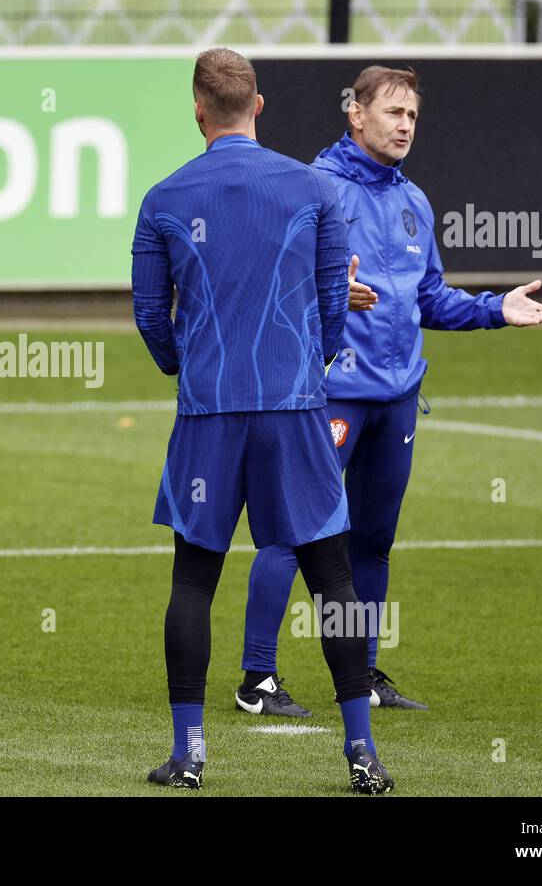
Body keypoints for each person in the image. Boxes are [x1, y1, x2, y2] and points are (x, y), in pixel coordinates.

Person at [235, 66, 542, 719]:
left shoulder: (413, 201)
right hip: (329, 392)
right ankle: (257, 680)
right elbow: (267, 282)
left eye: (412, 114)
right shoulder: (314, 188)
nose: (405, 125)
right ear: (355, 113)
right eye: (392, 112)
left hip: (397, 398)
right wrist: (322, 296)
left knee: (373, 541)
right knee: (294, 532)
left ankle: (363, 671)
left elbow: (429, 297)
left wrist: (497, 308)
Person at [132, 48, 393, 793]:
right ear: (259, 105)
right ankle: (362, 754)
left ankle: (189, 756)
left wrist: (183, 368)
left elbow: (152, 314)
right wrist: (310, 369)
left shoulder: (165, 197)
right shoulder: (313, 188)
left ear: (197, 110)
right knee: (334, 579)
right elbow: (334, 302)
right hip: (294, 410)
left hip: (210, 414)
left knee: (193, 579)